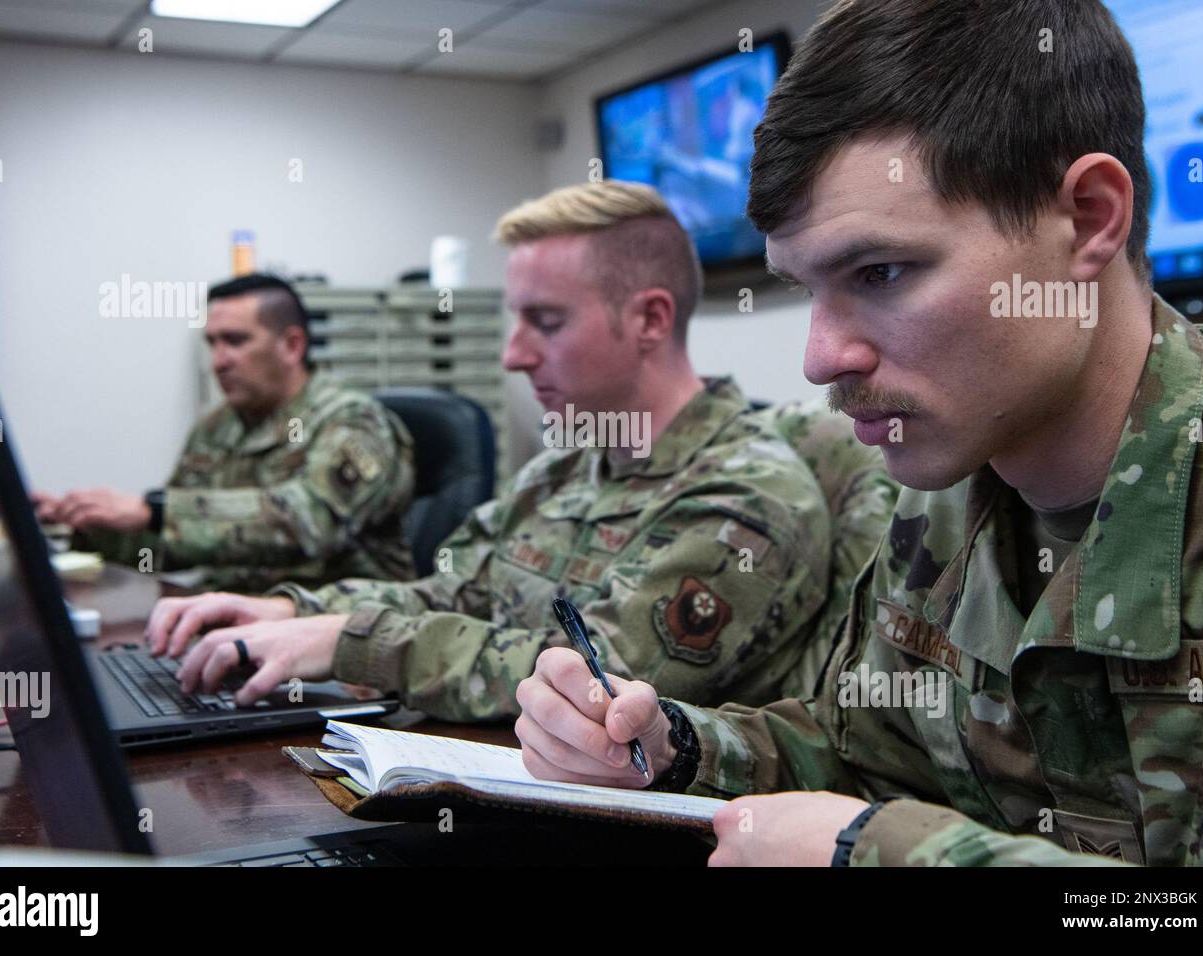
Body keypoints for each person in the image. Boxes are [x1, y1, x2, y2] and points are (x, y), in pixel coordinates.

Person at [513, 0, 1203, 866]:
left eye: (881, 271)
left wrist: (879, 853)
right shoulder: (943, 491)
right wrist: (669, 748)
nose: (822, 358)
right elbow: (863, 751)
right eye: (806, 289)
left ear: (1088, 219)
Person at [142, 182, 897, 719]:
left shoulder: (749, 497)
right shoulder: (564, 469)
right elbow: (451, 592)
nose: (511, 356)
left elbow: (594, 682)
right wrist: (289, 611)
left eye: (545, 321)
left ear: (648, 320)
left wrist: (348, 642)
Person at [34, 273, 416, 592]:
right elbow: (173, 545)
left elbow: (309, 523)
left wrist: (155, 512)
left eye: (235, 341)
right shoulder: (217, 427)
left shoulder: (353, 420)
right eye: (212, 343)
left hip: (333, 642)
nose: (218, 361)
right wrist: (85, 524)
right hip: (230, 629)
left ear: (292, 345)